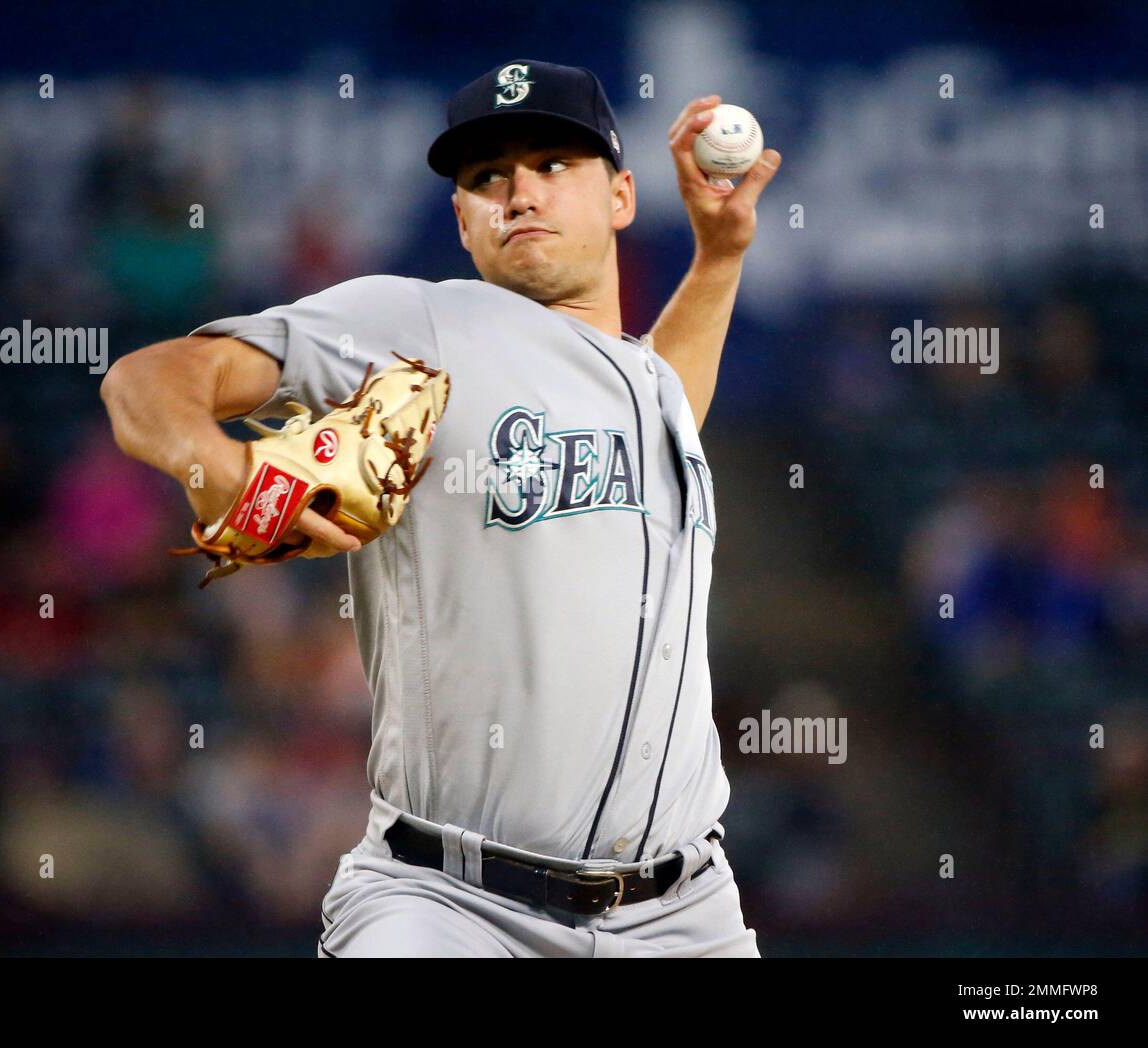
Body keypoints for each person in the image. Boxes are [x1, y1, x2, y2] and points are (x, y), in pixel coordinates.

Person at [100, 59, 780, 957]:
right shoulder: (415, 325)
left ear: (620, 196)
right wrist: (216, 467)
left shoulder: (646, 389)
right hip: (454, 906)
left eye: (551, 163)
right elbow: (147, 379)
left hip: (685, 916)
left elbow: (659, 411)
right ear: (462, 221)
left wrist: (721, 256)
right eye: (487, 177)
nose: (519, 192)